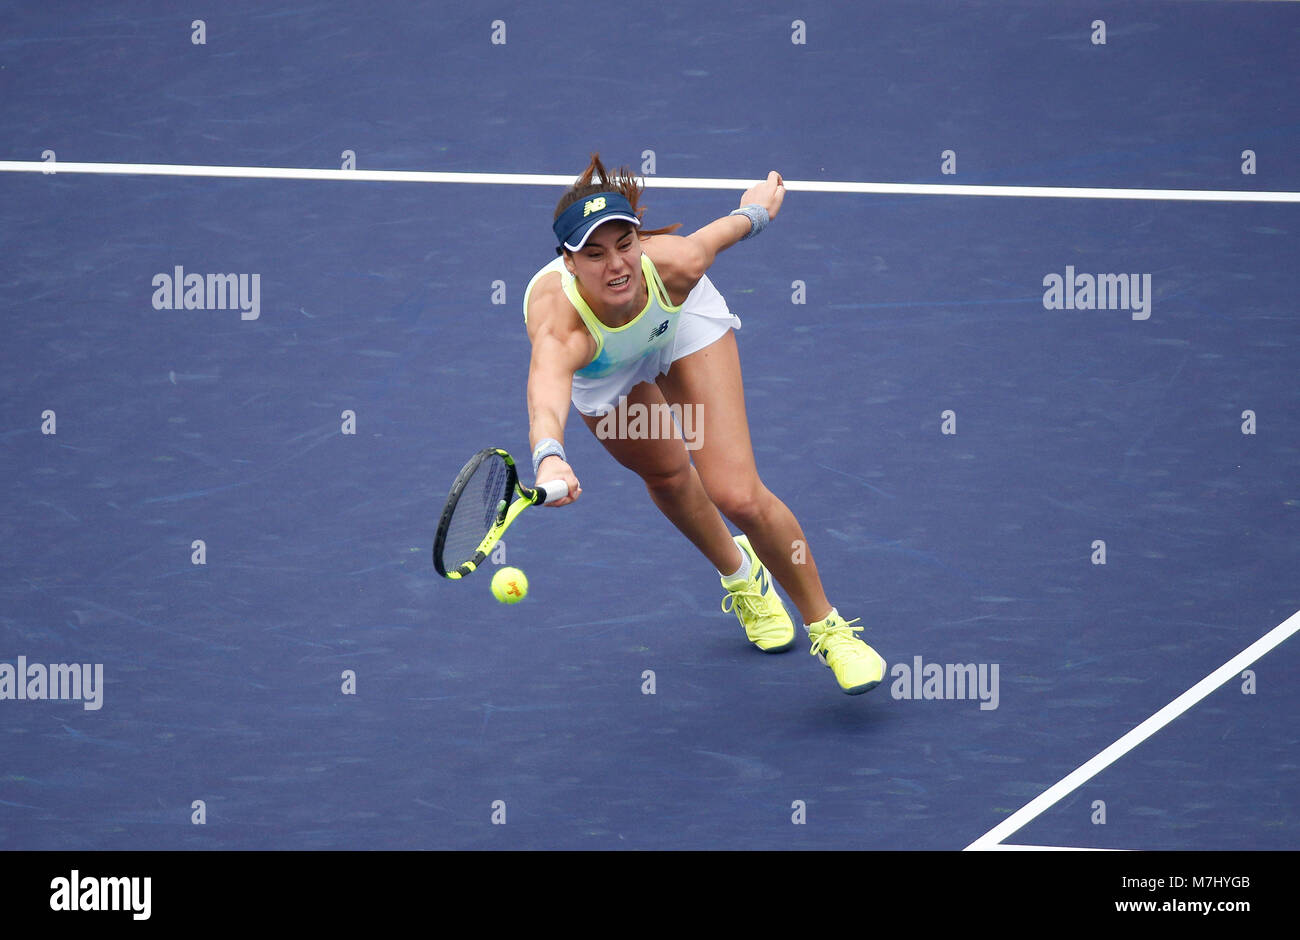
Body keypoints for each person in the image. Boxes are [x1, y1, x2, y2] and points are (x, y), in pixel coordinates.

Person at [522, 154, 885, 694]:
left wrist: (756, 212)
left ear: (640, 241)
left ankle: (829, 628)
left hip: (679, 325)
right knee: (668, 475)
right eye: (594, 254)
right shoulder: (561, 327)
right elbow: (545, 396)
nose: (615, 264)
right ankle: (742, 575)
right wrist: (549, 453)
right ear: (569, 265)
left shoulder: (677, 264)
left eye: (624, 244)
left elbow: (726, 231)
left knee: (737, 494)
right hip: (606, 368)